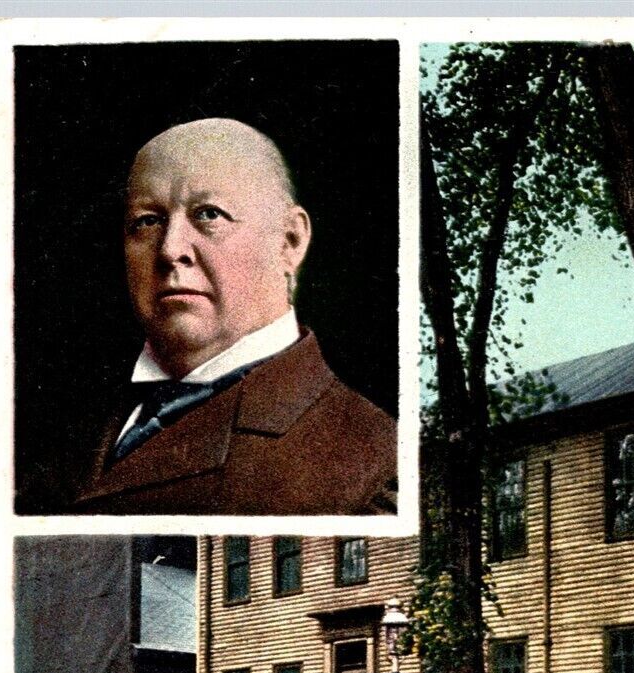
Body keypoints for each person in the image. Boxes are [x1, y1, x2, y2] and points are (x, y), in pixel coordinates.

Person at [70, 118, 396, 515]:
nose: (171, 249)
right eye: (148, 221)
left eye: (209, 214)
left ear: (289, 241)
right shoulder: (58, 434)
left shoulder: (372, 462)